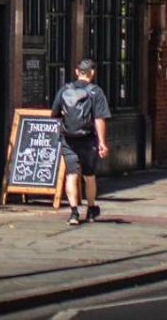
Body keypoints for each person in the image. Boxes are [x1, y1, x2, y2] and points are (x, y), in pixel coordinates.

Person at [51, 57, 110, 226]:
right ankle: (91, 209)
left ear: (77, 72)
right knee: (89, 176)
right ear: (92, 73)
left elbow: (54, 113)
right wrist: (102, 143)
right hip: (87, 139)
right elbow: (99, 119)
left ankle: (74, 212)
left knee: (71, 175)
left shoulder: (64, 90)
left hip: (68, 139)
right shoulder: (95, 92)